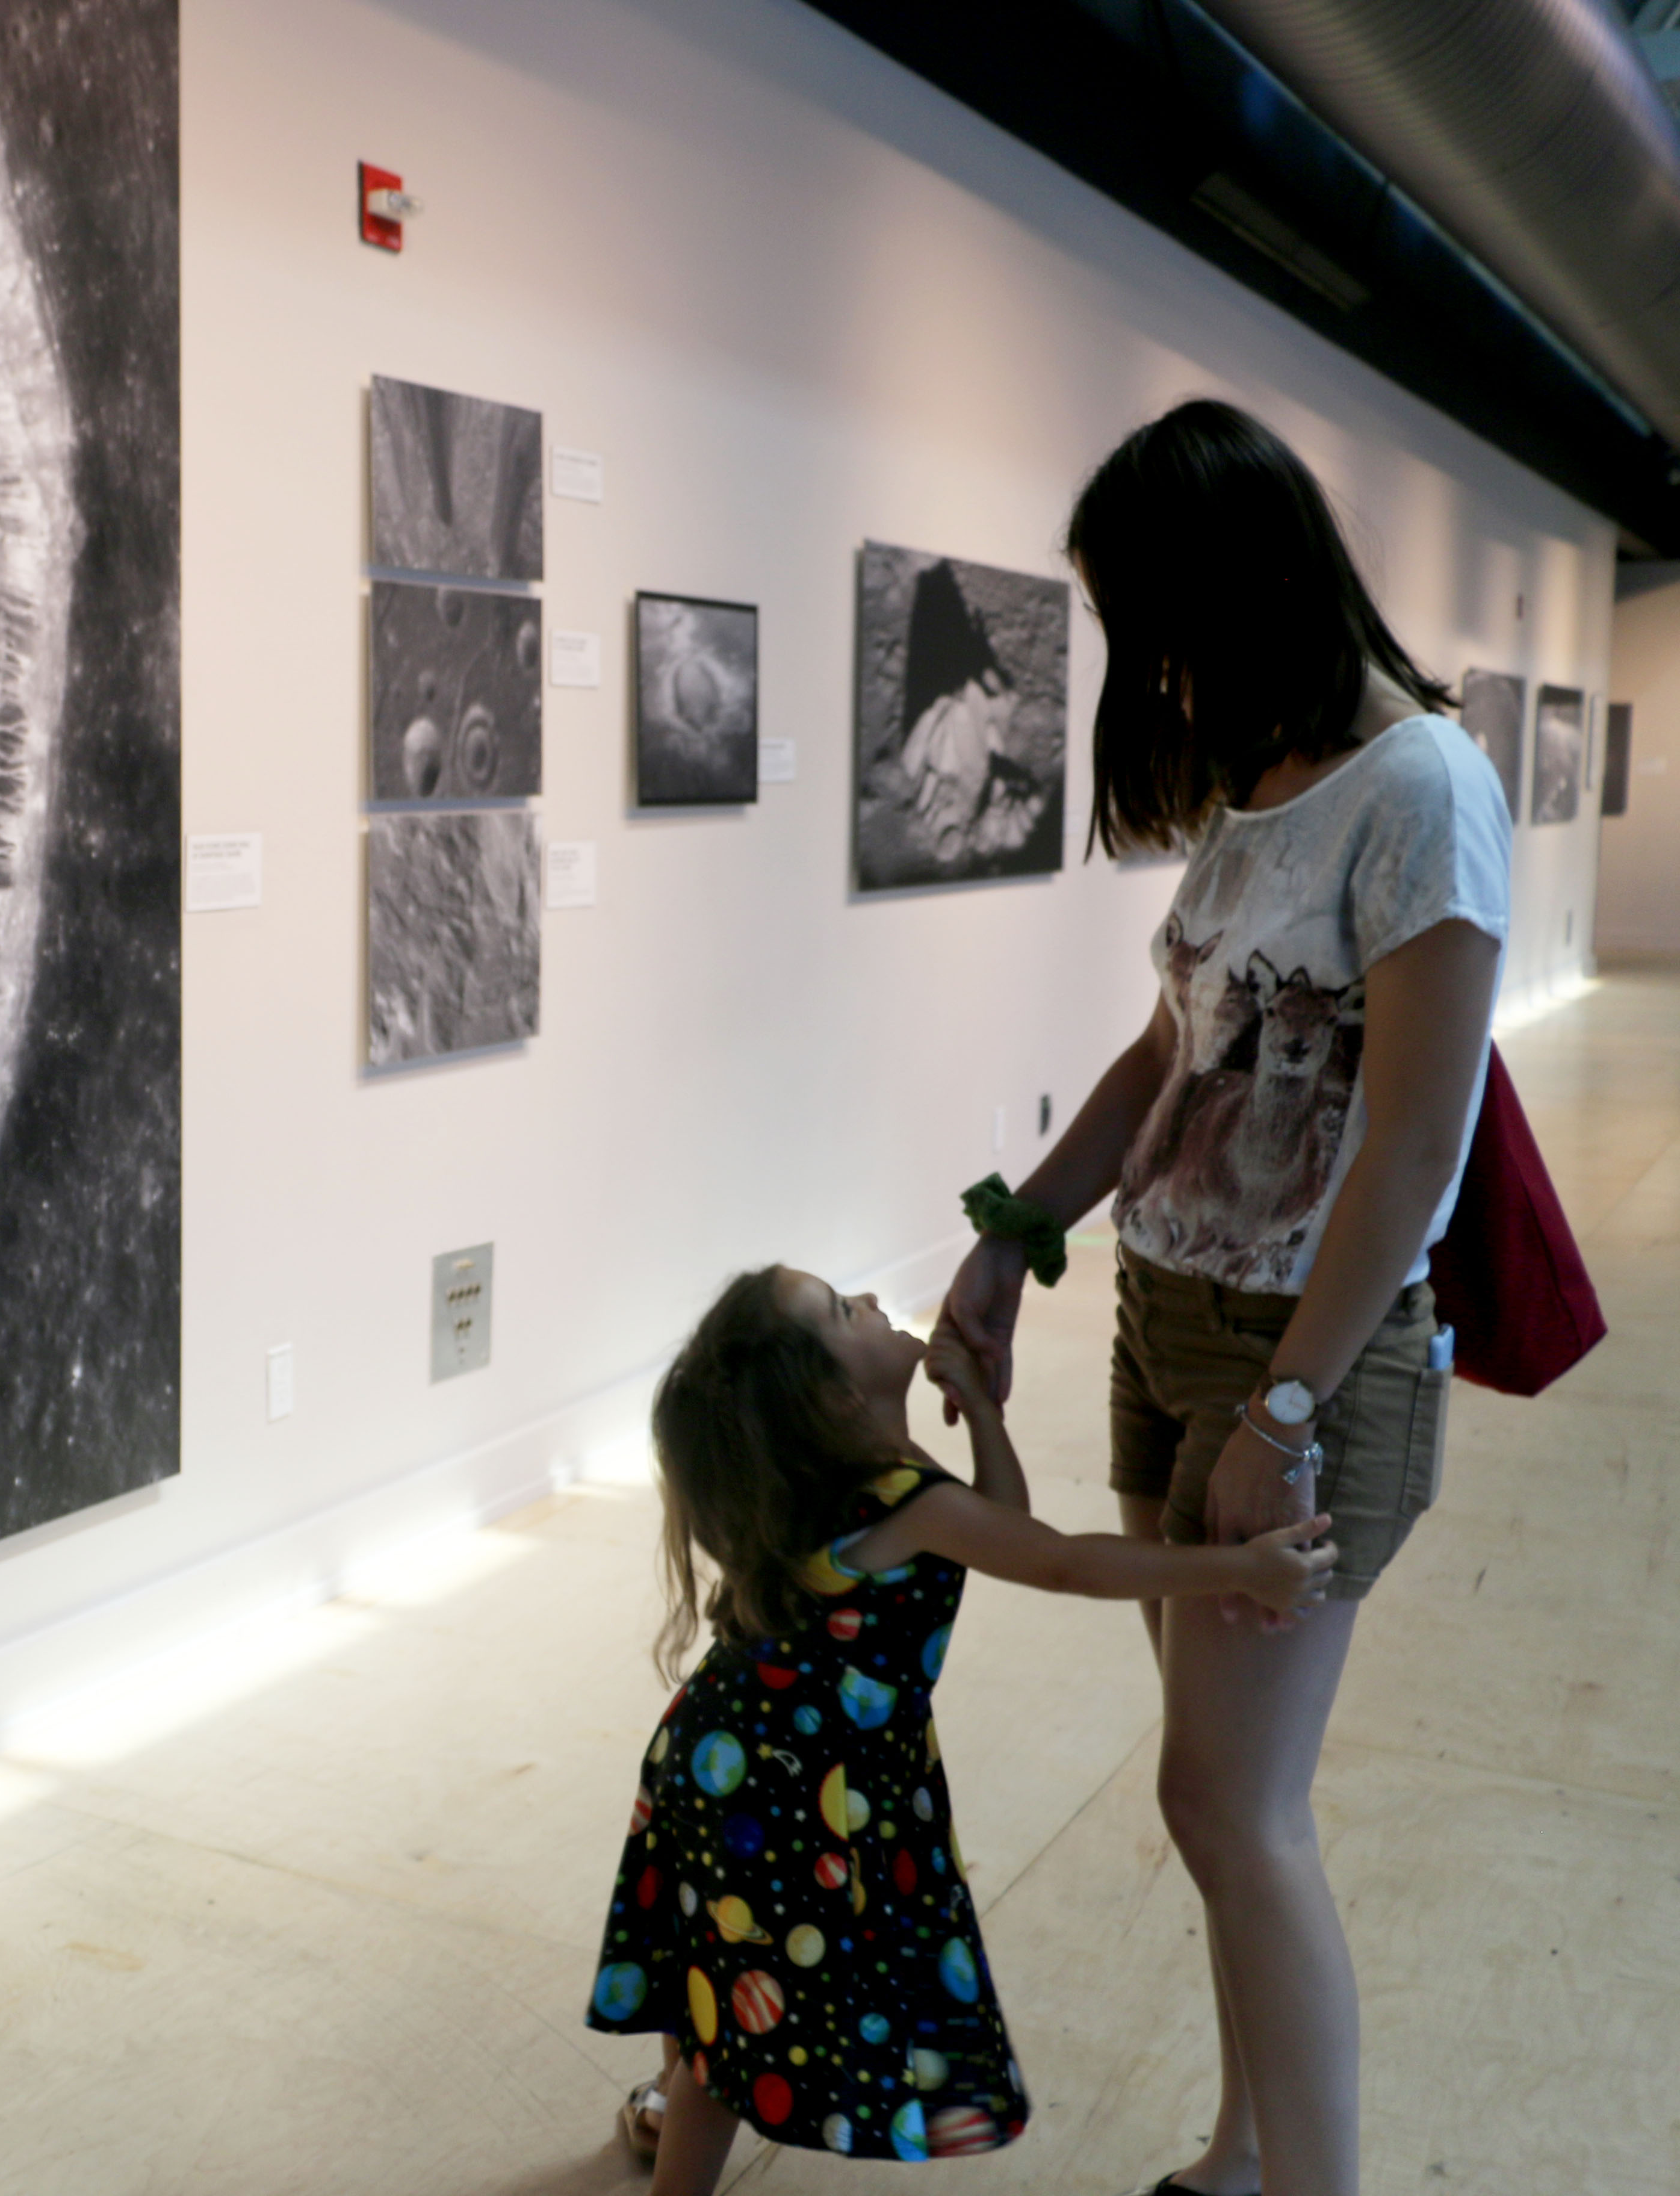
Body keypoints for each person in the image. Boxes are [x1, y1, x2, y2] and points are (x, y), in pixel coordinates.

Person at [941, 399, 1508, 2196]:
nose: (1151, 673)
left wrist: (1284, 1412)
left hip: (1303, 1363)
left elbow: (1418, 1141)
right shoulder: (1265, 791)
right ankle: (1245, 2152)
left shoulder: (1419, 789)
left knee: (1229, 1806)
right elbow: (1166, 1060)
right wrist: (1011, 1235)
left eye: (1156, 625)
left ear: (1242, 586)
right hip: (1163, 1327)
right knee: (1226, 1807)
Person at [589, 1265, 1337, 2195]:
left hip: (723, 1758)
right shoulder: (903, 1499)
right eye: (839, 1309)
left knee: (717, 1966)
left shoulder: (853, 1480)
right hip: (781, 1786)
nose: (865, 1297)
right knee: (733, 2041)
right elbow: (1059, 1563)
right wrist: (1233, 1569)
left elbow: (1006, 1528)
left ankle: (666, 2107)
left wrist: (980, 1409)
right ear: (830, 1394)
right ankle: (679, 2150)